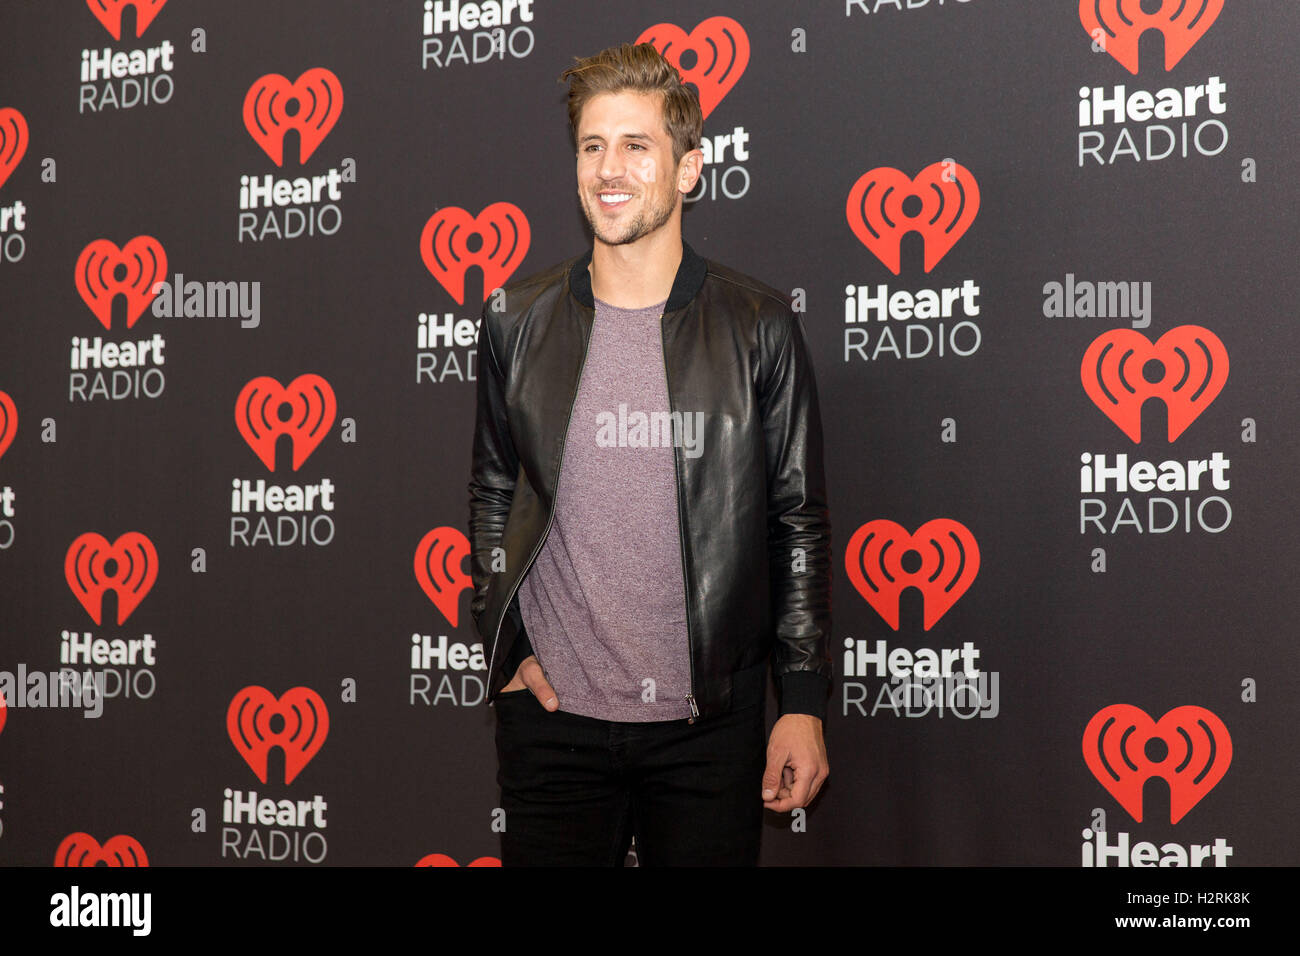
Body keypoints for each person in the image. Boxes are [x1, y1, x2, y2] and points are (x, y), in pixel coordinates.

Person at [467, 42, 831, 866]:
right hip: (553, 727)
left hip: (707, 730)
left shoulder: (759, 327)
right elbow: (492, 490)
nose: (610, 168)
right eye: (593, 146)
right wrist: (508, 646)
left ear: (689, 168)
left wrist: (801, 698)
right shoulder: (516, 321)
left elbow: (796, 521)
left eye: (637, 145)